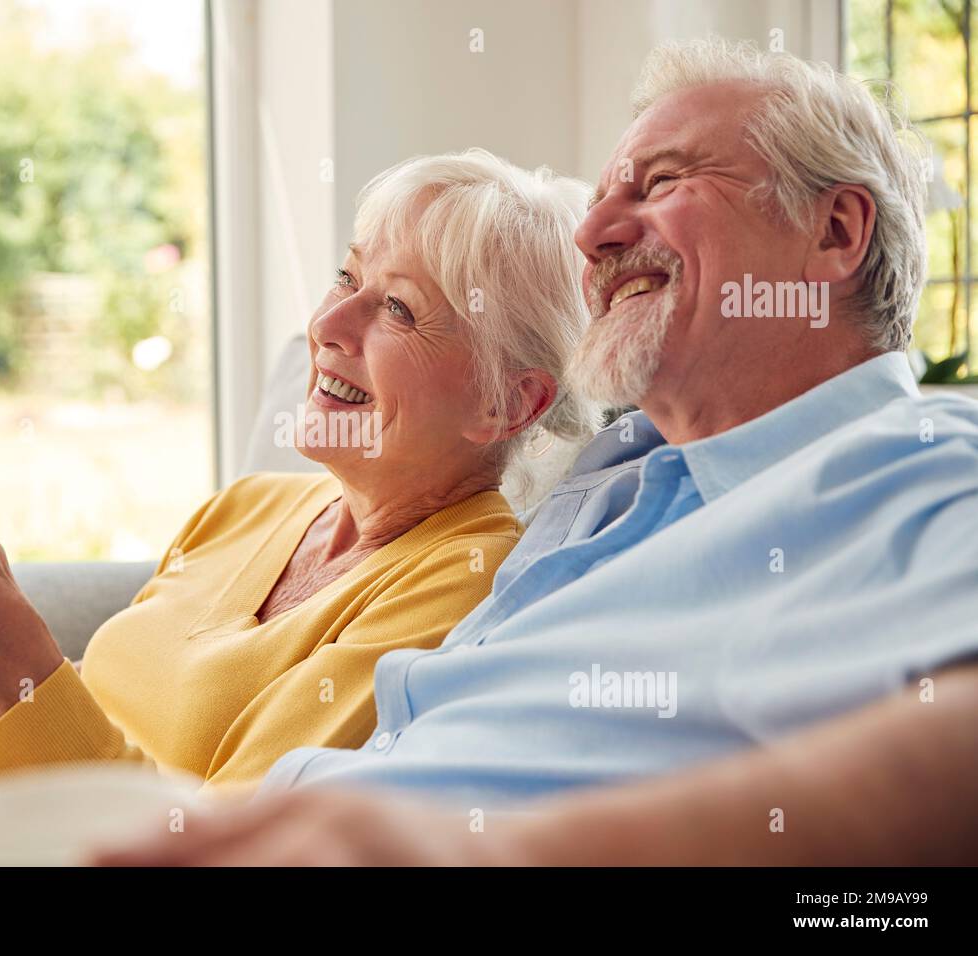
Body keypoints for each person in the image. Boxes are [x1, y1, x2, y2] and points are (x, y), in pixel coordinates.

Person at [90, 37, 978, 866]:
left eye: (661, 183)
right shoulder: (601, 494)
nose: (593, 235)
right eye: (601, 201)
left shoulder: (915, 463)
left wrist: (495, 852)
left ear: (835, 232)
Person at [0, 149, 601, 867]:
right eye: (346, 278)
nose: (329, 325)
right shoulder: (249, 508)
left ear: (507, 404)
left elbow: (202, 847)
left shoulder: (467, 590)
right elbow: (53, 732)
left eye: (397, 310)